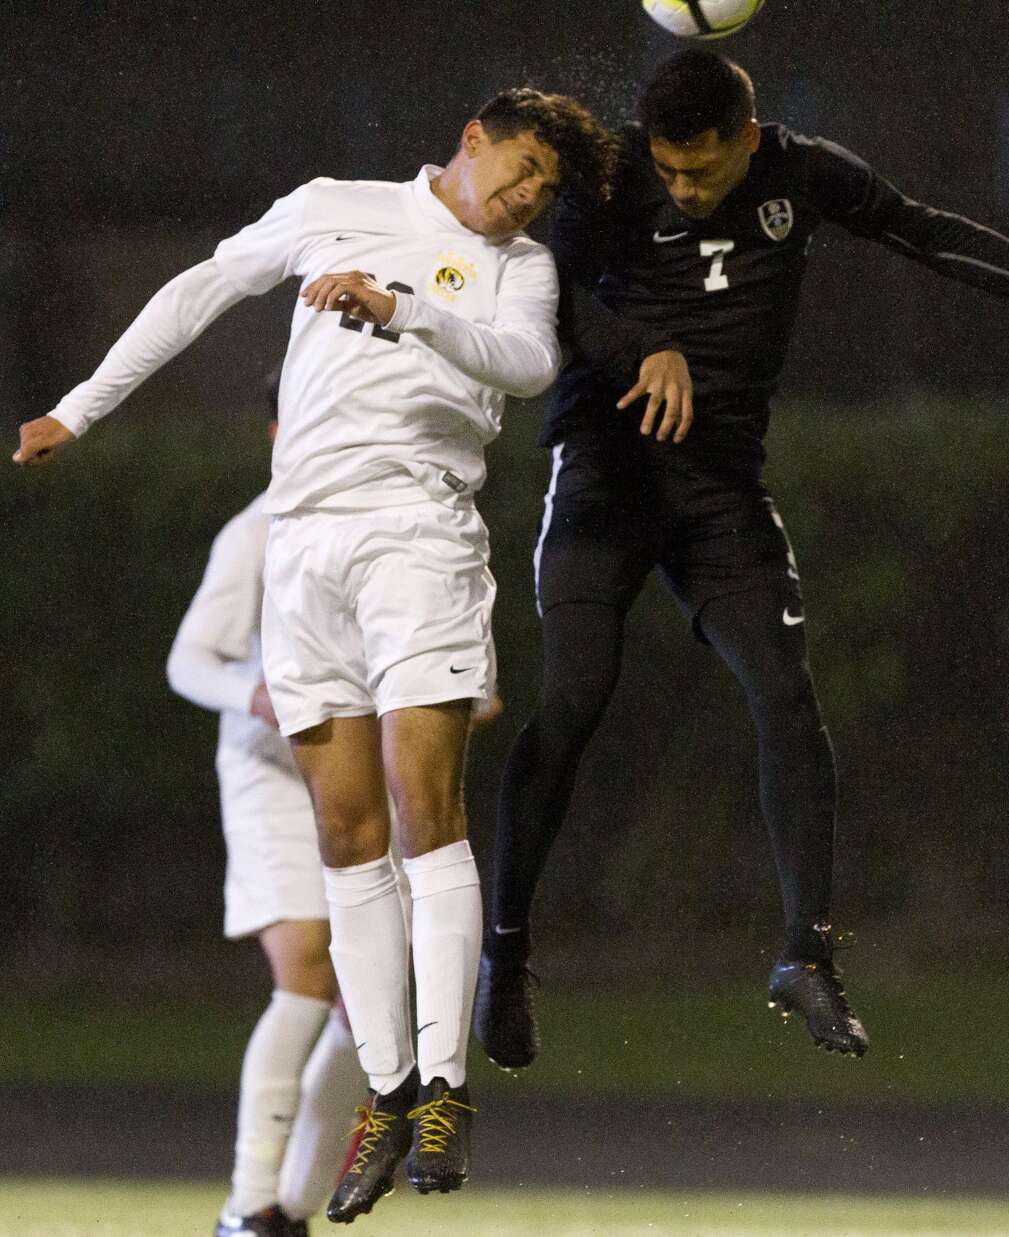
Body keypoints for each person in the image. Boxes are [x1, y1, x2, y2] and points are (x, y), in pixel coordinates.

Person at [473, 50, 1009, 1072]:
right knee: (575, 696)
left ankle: (804, 953)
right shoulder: (616, 178)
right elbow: (549, 293)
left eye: (703, 170)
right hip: (606, 474)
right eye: (669, 170)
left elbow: (928, 233)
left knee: (785, 693)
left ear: (749, 140)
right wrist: (643, 345)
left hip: (720, 488)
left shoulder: (803, 173)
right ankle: (505, 953)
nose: (683, 188)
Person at [14, 87, 614, 1223]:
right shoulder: (333, 204)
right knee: (345, 830)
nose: (530, 197)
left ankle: (446, 1086)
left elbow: (528, 363)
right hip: (302, 548)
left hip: (417, 534)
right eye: (525, 167)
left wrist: (402, 309)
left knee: (424, 806)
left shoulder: (521, 267)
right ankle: (386, 1091)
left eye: (549, 188)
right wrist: (80, 409)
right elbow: (201, 289)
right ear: (473, 138)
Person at [166, 381, 368, 1237]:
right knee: (310, 969)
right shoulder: (254, 533)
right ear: (282, 429)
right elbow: (187, 659)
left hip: (361, 779)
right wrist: (255, 695)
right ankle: (247, 1204)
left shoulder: (383, 524)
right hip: (273, 779)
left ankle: (288, 1208)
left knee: (371, 1009)